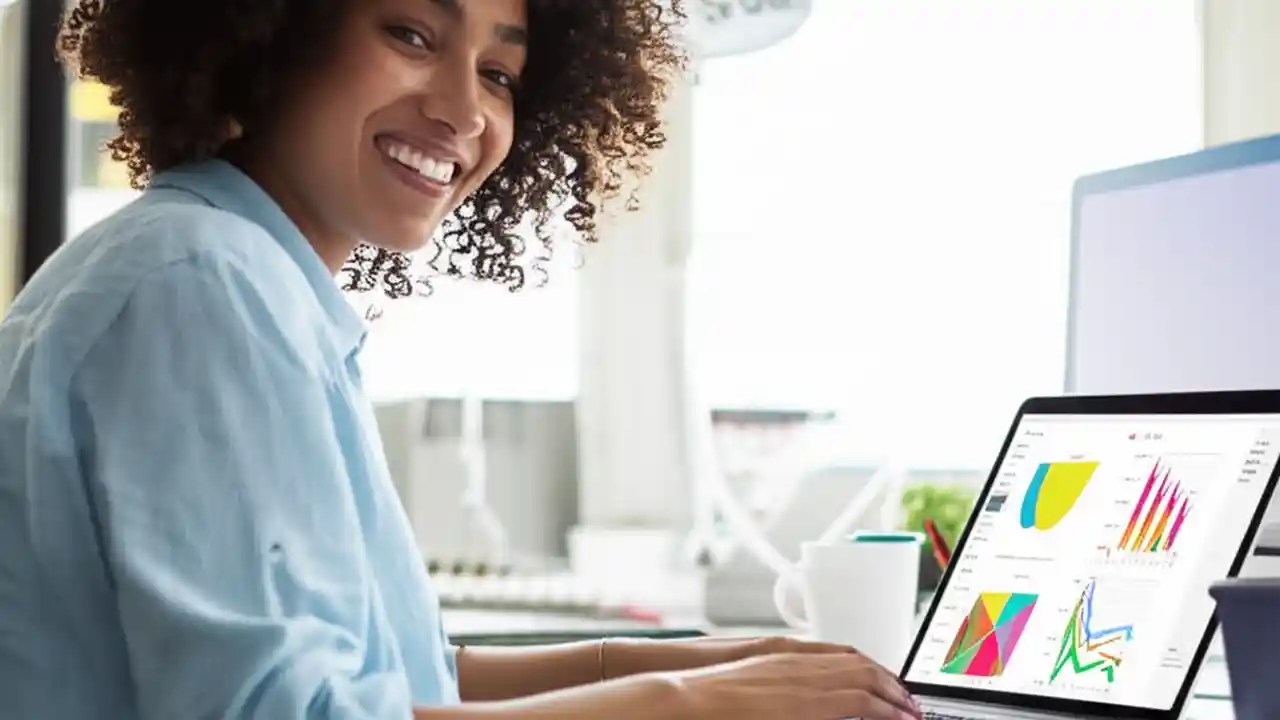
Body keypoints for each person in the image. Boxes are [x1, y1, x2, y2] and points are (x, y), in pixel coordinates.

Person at [0, 1, 923, 718]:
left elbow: (409, 672)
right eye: (410, 33)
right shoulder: (201, 285)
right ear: (273, 32)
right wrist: (686, 704)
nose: (462, 109)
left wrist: (721, 660)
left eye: (499, 73)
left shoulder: (236, 272)